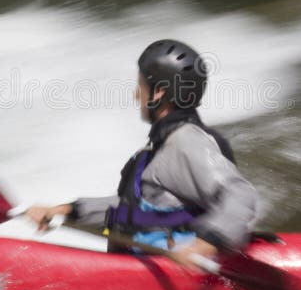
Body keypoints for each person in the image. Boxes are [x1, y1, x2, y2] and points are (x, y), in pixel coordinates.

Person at [25, 39, 258, 269]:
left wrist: (206, 244)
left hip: (180, 269)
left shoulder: (186, 142)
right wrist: (69, 210)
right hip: (150, 261)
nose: (137, 95)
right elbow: (137, 211)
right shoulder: (161, 145)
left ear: (158, 92)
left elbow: (239, 193)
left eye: (141, 86)